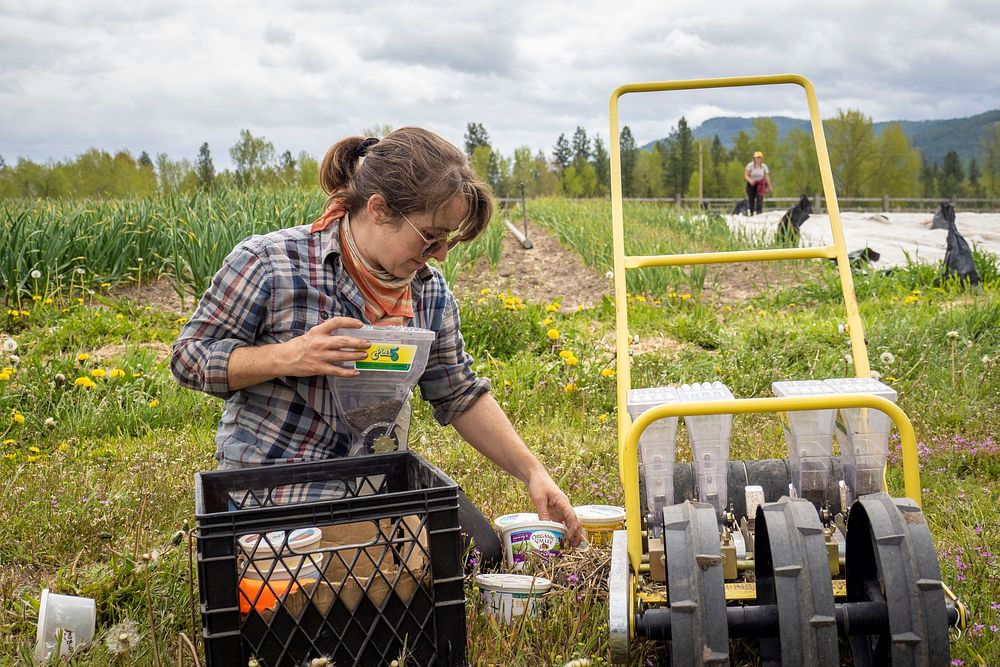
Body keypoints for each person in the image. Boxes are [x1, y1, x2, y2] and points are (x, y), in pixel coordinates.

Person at [171, 127, 583, 568]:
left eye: (449, 238)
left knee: (478, 552)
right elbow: (189, 356)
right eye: (430, 236)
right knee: (346, 576)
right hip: (277, 484)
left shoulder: (429, 291)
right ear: (379, 209)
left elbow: (459, 393)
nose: (441, 253)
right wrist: (288, 356)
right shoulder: (272, 264)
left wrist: (533, 472)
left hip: (376, 479)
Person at [744, 150, 772, 215]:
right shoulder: (750, 165)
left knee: (760, 198)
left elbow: (766, 176)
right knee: (751, 198)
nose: (758, 159)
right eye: (757, 158)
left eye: (760, 158)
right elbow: (746, 175)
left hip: (760, 184)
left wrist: (769, 185)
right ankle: (751, 212)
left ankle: (759, 213)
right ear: (754, 158)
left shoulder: (764, 166)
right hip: (752, 184)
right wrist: (750, 180)